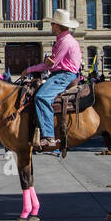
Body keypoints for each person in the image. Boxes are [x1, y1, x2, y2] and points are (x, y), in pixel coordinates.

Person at [23, 9, 83, 152]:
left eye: (52, 24)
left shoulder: (65, 41)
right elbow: (50, 63)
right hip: (61, 73)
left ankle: (49, 136)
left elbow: (52, 64)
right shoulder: (63, 39)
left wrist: (30, 69)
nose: (51, 26)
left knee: (41, 97)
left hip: (64, 75)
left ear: (57, 25)